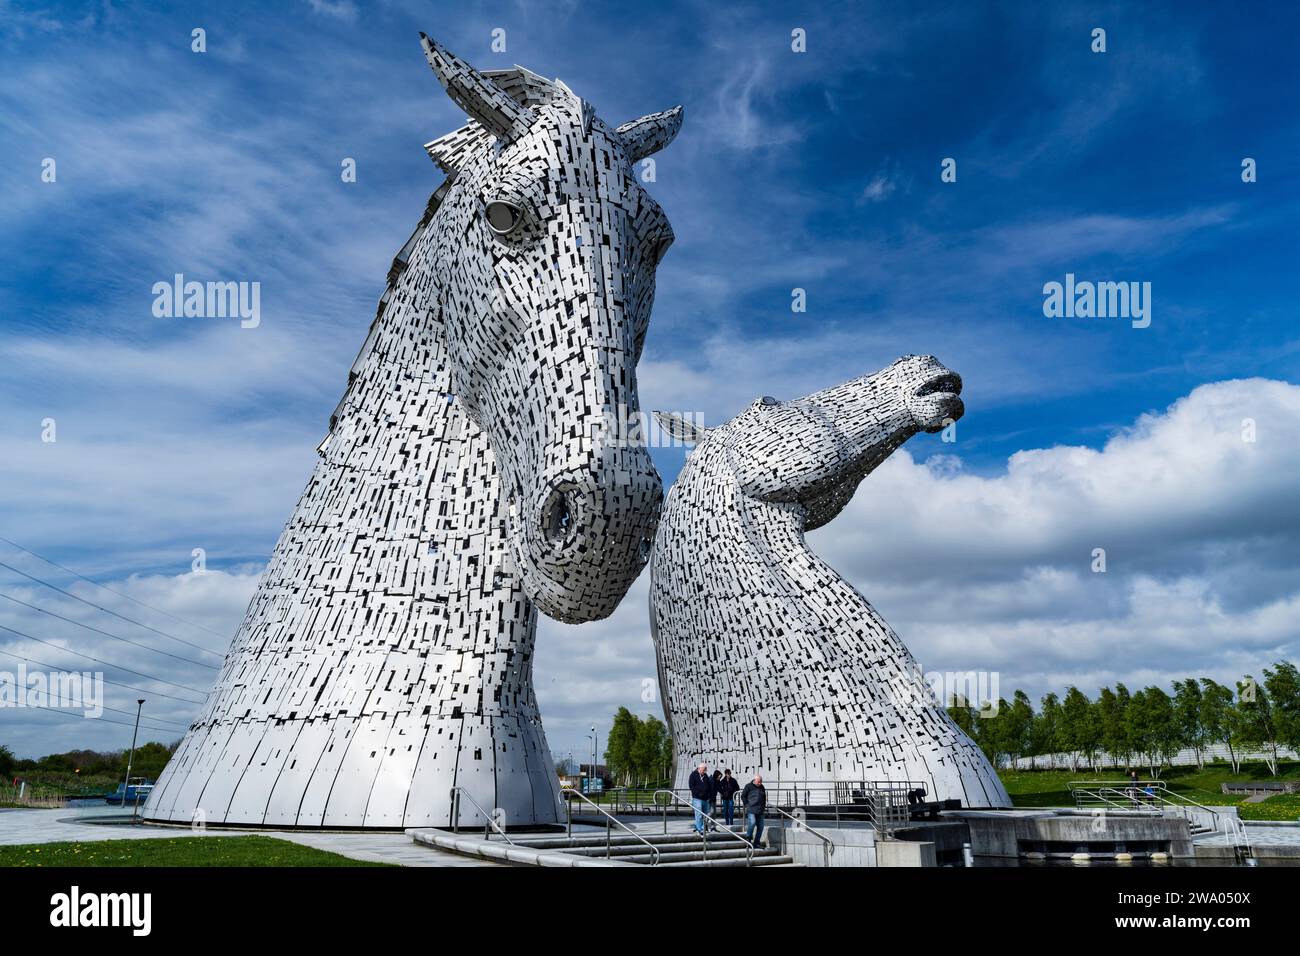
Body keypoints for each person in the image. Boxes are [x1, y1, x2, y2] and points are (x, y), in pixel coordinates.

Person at [687, 762, 715, 835]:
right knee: (699, 814)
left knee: (705, 814)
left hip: (705, 799)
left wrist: (709, 795)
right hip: (697, 798)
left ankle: (702, 827)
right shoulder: (693, 775)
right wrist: (698, 793)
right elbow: (691, 786)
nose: (704, 772)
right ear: (699, 769)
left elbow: (708, 786)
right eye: (703, 770)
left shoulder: (705, 776)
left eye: (705, 770)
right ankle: (700, 829)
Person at [741, 771, 767, 845]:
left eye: (761, 782)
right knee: (752, 823)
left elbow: (764, 797)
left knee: (761, 826)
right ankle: (748, 838)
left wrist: (764, 806)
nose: (760, 783)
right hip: (751, 808)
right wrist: (747, 805)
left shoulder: (762, 787)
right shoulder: (748, 786)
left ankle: (757, 842)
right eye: (758, 782)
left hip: (760, 810)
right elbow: (743, 796)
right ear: (754, 780)